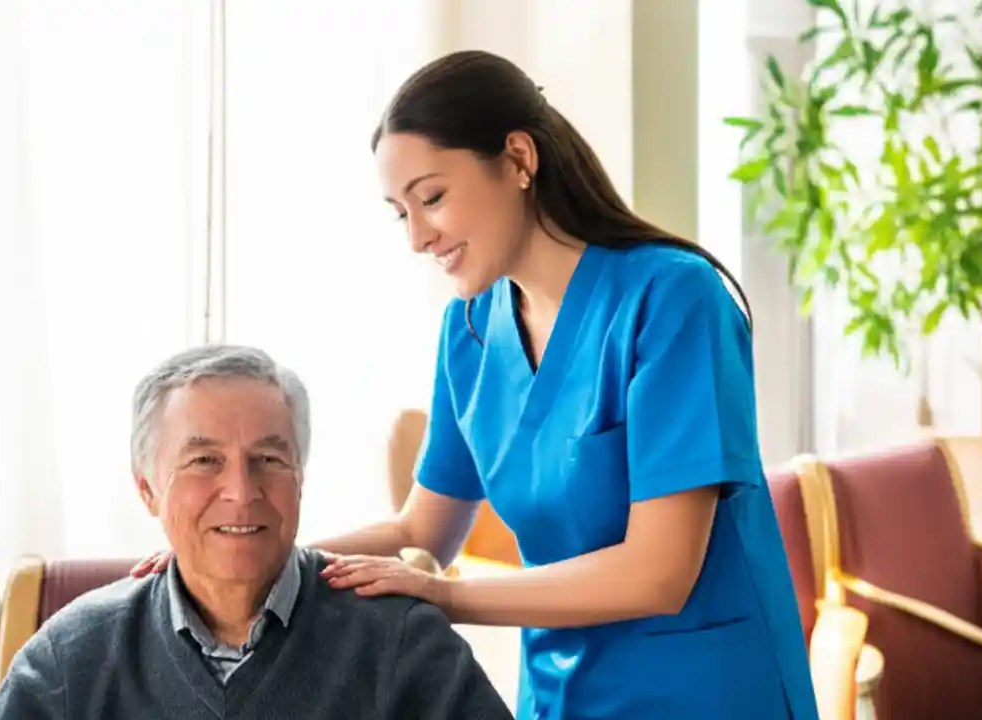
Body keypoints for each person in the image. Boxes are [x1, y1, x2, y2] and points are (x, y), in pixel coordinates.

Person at [136, 50, 820, 719]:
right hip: (563, 695)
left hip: (708, 690)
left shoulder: (673, 300)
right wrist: (245, 548)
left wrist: (448, 598)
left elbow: (659, 571)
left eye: (432, 198)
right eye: (401, 212)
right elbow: (423, 529)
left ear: (519, 160)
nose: (417, 238)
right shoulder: (468, 332)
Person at [0, 345, 512, 720]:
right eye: (204, 460)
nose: (241, 491)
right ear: (147, 489)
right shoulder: (72, 654)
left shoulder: (400, 640)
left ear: (300, 479)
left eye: (268, 458)